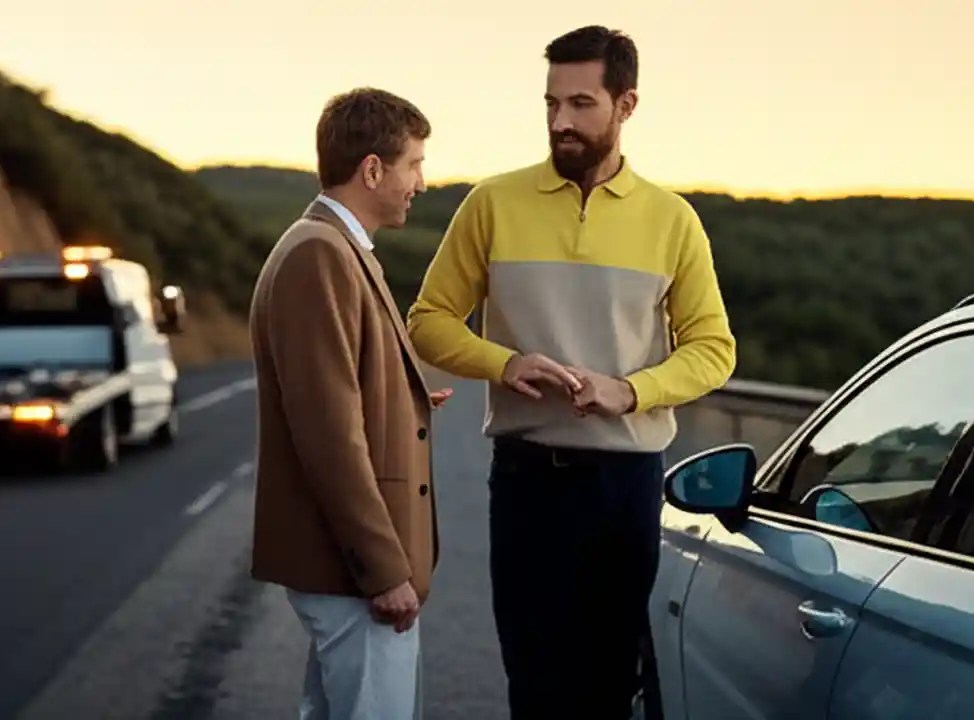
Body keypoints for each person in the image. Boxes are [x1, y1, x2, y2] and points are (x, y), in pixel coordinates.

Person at [406, 25, 736, 719]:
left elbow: (713, 348)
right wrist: (505, 362)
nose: (561, 122)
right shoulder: (492, 204)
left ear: (626, 104)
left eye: (582, 104)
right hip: (529, 480)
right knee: (536, 685)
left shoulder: (673, 221)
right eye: (551, 103)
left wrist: (631, 390)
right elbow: (429, 320)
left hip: (627, 485)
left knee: (613, 686)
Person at [248, 87, 450, 720]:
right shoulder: (320, 254)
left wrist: (405, 396)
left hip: (347, 570)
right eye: (413, 163)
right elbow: (328, 433)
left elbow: (346, 391)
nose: (421, 180)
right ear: (372, 169)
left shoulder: (336, 248)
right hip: (351, 573)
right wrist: (384, 570)